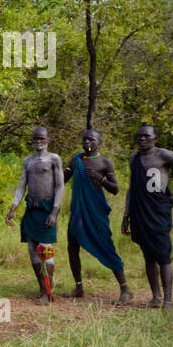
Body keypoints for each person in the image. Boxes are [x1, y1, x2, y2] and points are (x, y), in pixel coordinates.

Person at [121, 124, 173, 308]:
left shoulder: (164, 155)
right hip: (139, 212)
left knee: (163, 256)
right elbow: (132, 188)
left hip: (158, 211)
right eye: (139, 136)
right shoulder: (134, 159)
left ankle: (168, 300)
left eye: (146, 136)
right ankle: (155, 298)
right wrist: (126, 214)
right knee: (148, 256)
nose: (142, 139)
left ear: (155, 137)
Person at [61, 130, 132, 303]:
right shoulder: (76, 160)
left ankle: (125, 289)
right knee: (72, 247)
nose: (87, 142)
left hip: (96, 213)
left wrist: (101, 179)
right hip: (78, 211)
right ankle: (78, 287)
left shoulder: (104, 162)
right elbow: (62, 180)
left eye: (91, 139)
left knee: (106, 247)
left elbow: (115, 190)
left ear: (98, 142)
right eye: (84, 139)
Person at [5, 126, 65, 304]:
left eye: (42, 138)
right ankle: (42, 289)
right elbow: (22, 185)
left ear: (48, 140)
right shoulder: (28, 161)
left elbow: (60, 186)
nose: (38, 142)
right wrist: (13, 208)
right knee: (32, 249)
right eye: (35, 139)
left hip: (47, 207)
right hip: (32, 207)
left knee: (45, 250)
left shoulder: (54, 159)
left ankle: (49, 292)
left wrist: (54, 211)